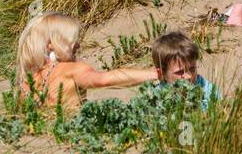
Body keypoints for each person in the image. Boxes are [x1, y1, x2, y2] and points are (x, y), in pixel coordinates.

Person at [16, 12, 157, 110]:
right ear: (50, 44)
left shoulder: (25, 83)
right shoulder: (71, 70)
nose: (77, 45)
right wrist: (155, 74)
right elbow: (104, 80)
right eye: (71, 40)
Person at [150, 32, 216, 106]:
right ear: (161, 74)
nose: (189, 76)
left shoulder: (204, 87)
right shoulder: (157, 97)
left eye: (192, 69)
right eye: (180, 72)